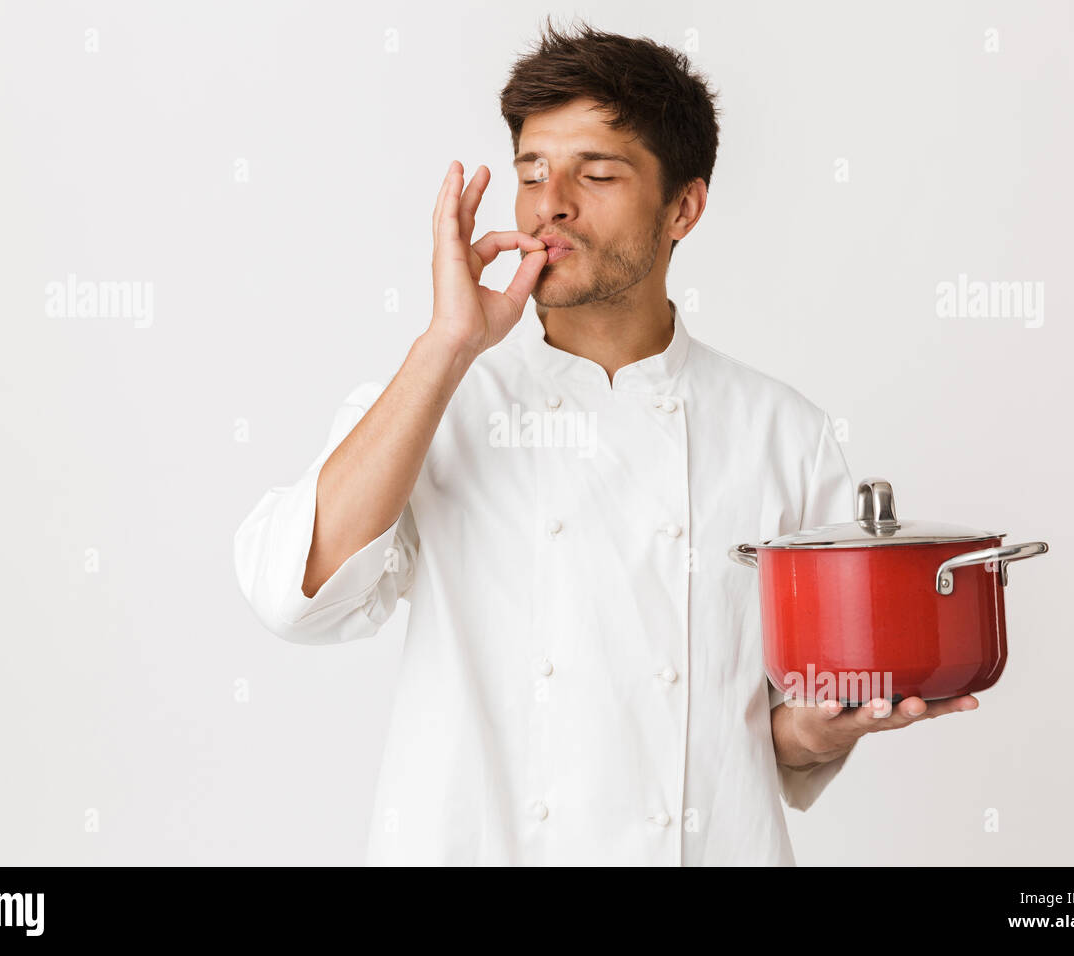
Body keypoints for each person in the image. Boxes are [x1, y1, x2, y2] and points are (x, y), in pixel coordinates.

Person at [234, 17, 978, 866]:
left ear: (683, 209)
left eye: (596, 173)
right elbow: (295, 597)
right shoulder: (436, 399)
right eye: (532, 172)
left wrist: (817, 730)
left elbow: (778, 734)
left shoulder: (784, 433)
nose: (551, 201)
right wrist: (445, 345)